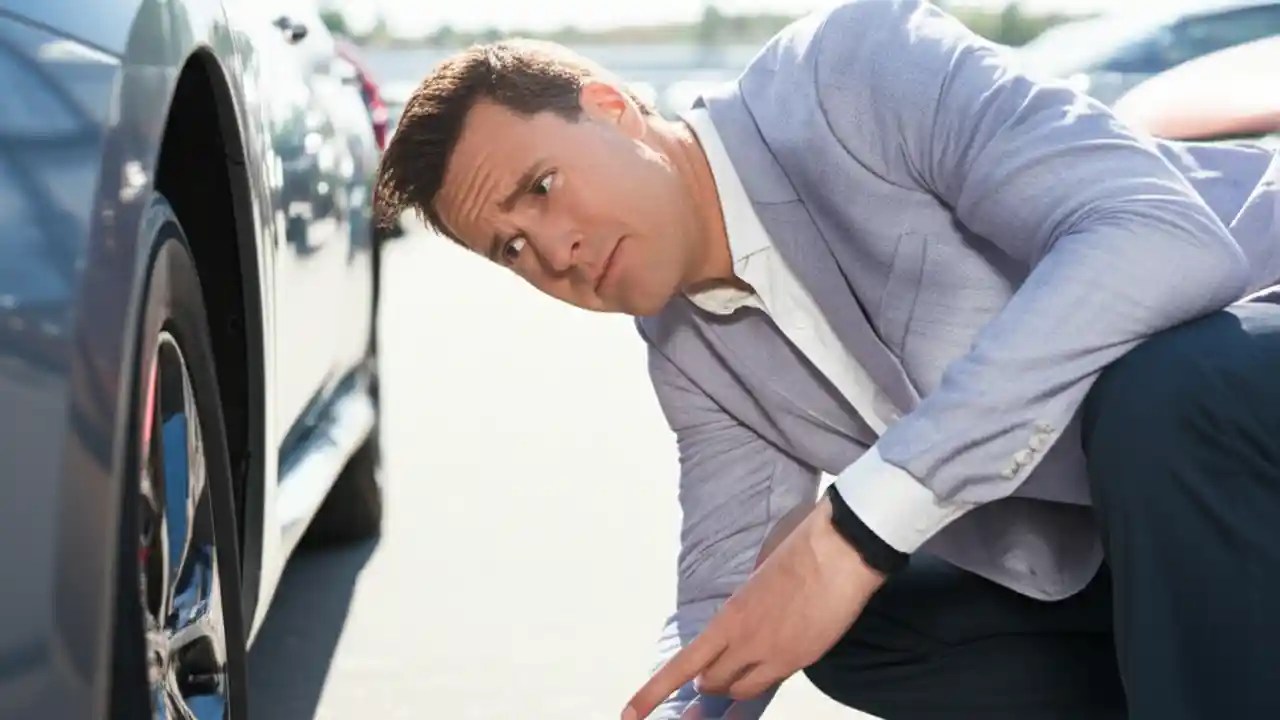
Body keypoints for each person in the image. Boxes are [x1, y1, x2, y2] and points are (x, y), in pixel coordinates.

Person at [373, 0, 1280, 718]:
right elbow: (729, 593)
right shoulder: (687, 345)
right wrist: (677, 706)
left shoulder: (850, 72)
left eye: (542, 188)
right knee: (840, 626)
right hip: (1159, 531)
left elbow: (1163, 240)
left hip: (1251, 346)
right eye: (511, 249)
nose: (553, 249)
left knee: (1168, 391)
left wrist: (860, 526)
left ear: (612, 109)